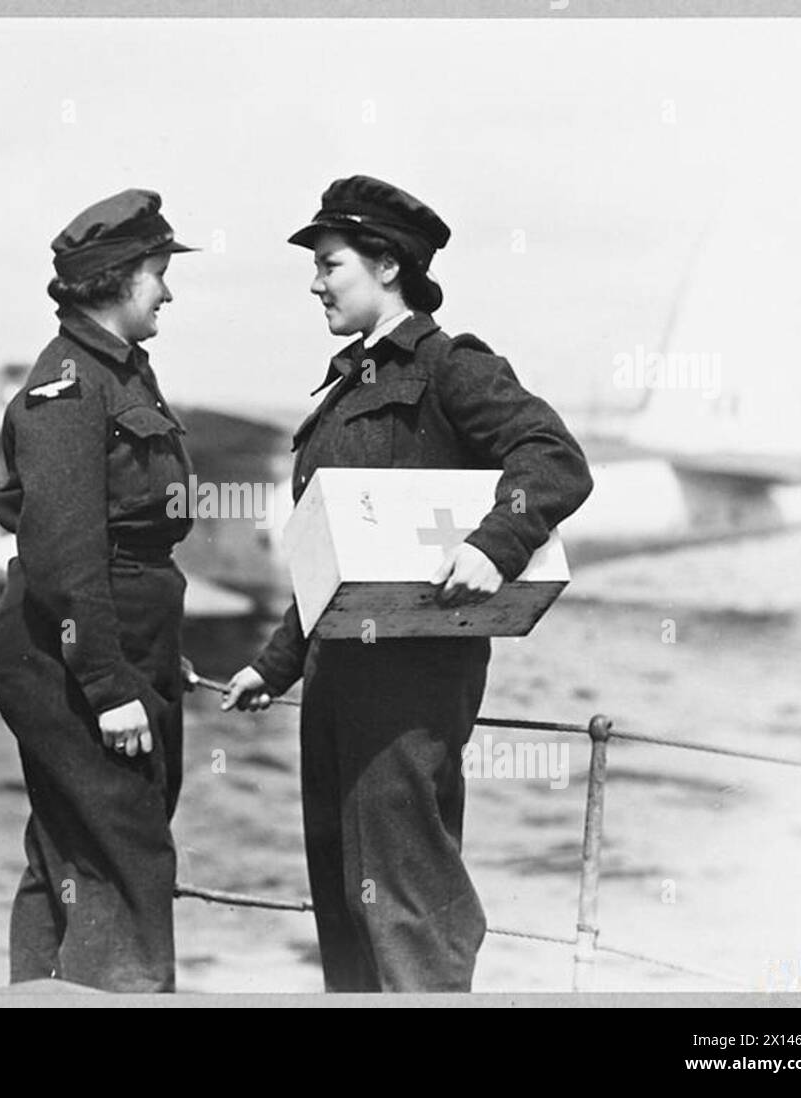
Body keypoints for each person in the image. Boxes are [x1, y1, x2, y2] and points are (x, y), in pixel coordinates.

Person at [223, 175, 593, 993]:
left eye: (331, 264)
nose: (316, 282)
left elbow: (554, 459)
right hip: (336, 681)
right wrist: (276, 664)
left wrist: (495, 545)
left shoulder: (449, 366)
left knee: (406, 902)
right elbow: (338, 553)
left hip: (409, 683)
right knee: (346, 903)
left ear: (388, 266)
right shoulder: (347, 384)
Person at [0, 189, 198, 992]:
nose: (167, 292)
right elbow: (65, 549)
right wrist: (109, 686)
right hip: (79, 659)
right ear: (115, 280)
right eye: (156, 274)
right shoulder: (71, 387)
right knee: (127, 859)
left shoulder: (122, 374)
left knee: (74, 853)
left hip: (122, 643)